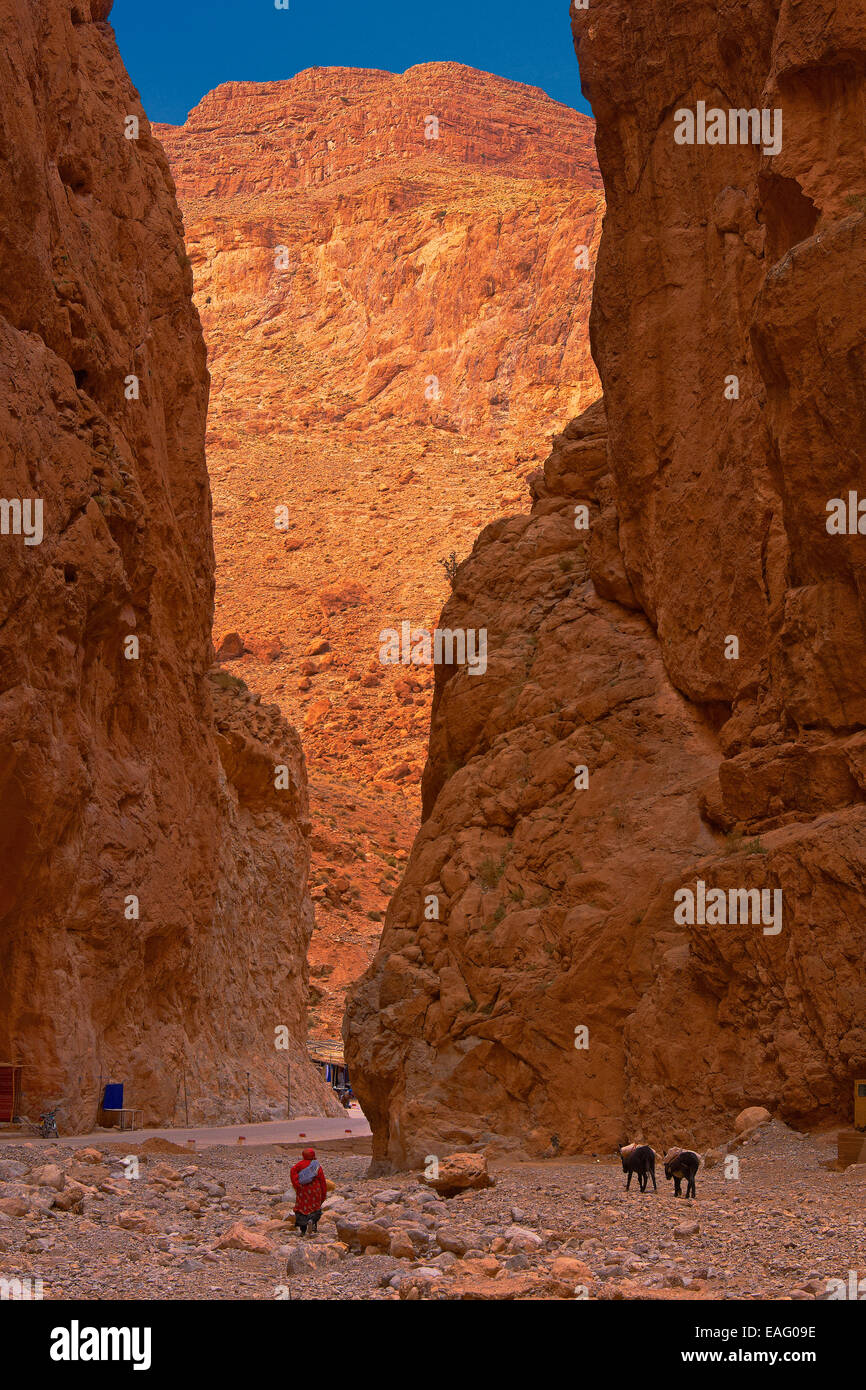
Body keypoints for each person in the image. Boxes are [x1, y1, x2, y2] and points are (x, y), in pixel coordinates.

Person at [290, 1146, 327, 1236]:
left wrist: (297, 1185)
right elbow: (322, 1181)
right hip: (315, 1190)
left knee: (302, 1208)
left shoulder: (298, 1165)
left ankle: (303, 1230)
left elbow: (293, 1174)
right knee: (315, 1207)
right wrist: (323, 1195)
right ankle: (312, 1222)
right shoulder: (316, 1166)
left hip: (303, 1190)